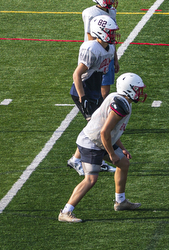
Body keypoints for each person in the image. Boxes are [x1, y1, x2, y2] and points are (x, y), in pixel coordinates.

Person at [59, 73, 146, 223]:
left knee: (124, 163)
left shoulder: (119, 99)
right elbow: (104, 131)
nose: (140, 92)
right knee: (91, 179)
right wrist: (112, 154)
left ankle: (120, 201)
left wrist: (121, 148)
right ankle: (66, 211)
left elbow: (112, 131)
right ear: (128, 89)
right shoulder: (121, 105)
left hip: (101, 140)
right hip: (92, 142)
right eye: (137, 89)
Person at [68, 15, 118, 176]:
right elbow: (77, 75)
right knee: (96, 127)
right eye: (110, 32)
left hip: (94, 90)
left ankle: (79, 159)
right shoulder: (91, 48)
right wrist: (83, 99)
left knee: (95, 126)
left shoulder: (109, 48)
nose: (113, 35)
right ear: (100, 32)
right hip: (83, 91)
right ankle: (78, 160)